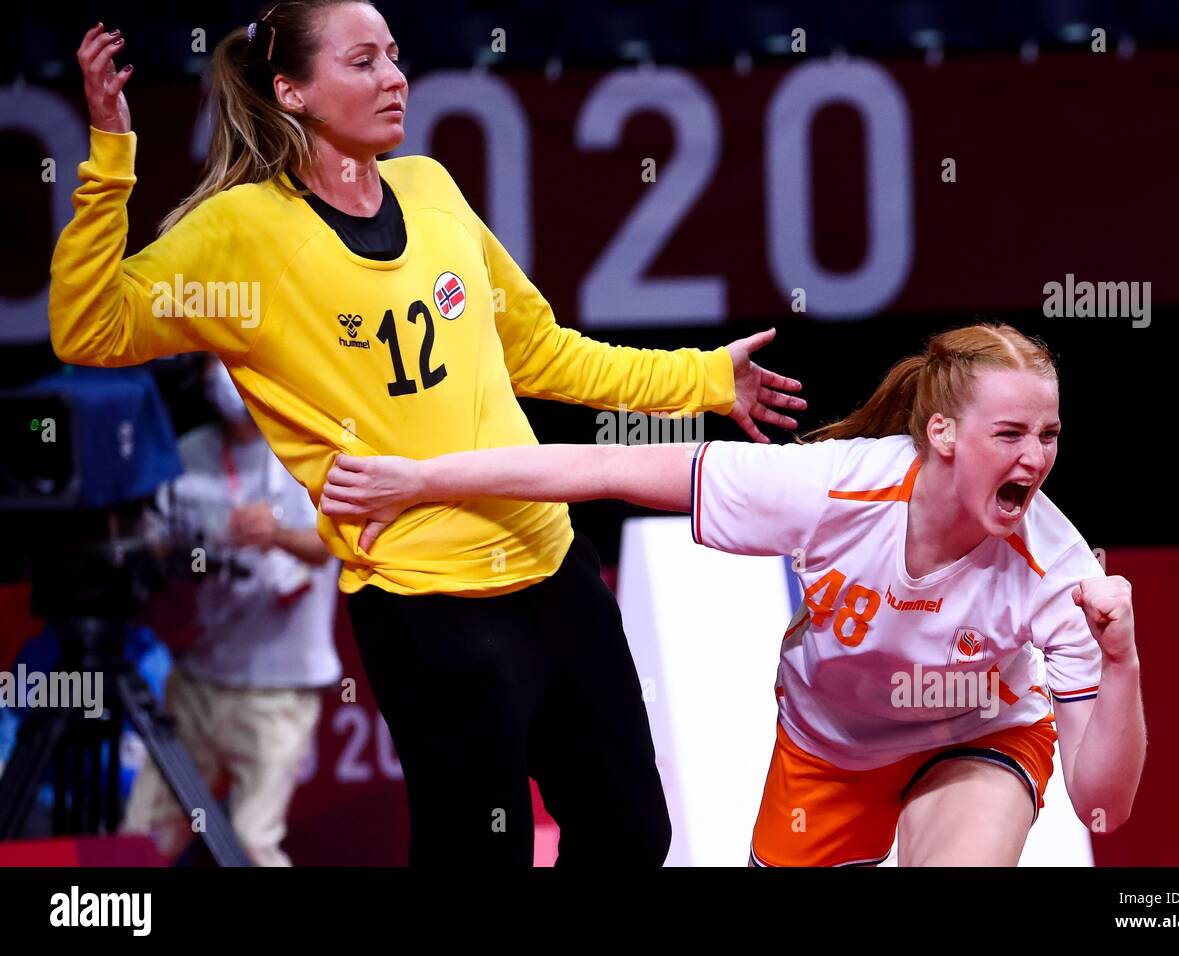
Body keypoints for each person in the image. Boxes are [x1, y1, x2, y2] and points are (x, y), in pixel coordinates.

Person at [50, 2, 805, 865]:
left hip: (555, 572)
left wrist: (702, 378)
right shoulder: (241, 235)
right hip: (426, 609)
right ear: (292, 91)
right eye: (364, 61)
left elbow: (543, 353)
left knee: (633, 835)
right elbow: (90, 329)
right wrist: (111, 155)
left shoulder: (433, 188)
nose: (395, 77)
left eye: (396, 56)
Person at [318, 322, 1147, 866]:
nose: (1035, 458)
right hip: (829, 751)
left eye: (1048, 435)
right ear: (942, 434)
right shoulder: (830, 487)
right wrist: (421, 478)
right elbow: (603, 469)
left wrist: (1123, 662)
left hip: (978, 734)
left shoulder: (1062, 574)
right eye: (1011, 434)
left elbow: (1104, 805)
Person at [121, 358, 340, 866]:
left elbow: (332, 546)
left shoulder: (308, 449)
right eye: (214, 363)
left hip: (279, 687)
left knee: (250, 842)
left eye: (237, 360)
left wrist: (279, 534)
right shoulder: (186, 455)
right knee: (143, 837)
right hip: (198, 679)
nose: (226, 375)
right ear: (202, 378)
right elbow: (154, 547)